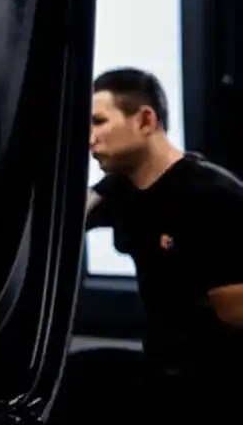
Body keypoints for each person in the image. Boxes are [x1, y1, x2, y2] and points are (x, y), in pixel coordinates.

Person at [58, 67, 243, 420]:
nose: (90, 138)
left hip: (216, 380)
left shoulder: (212, 195)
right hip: (162, 366)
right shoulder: (121, 188)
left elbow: (235, 312)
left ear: (145, 120)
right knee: (61, 384)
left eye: (99, 122)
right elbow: (63, 224)